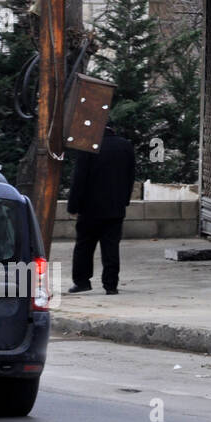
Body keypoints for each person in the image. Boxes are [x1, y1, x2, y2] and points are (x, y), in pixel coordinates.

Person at [67, 123, 136, 295]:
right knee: (111, 247)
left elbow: (79, 179)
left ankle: (82, 281)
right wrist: (124, 201)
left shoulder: (89, 147)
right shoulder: (125, 146)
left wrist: (73, 206)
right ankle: (111, 285)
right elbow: (130, 177)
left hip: (90, 208)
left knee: (84, 245)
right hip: (115, 207)